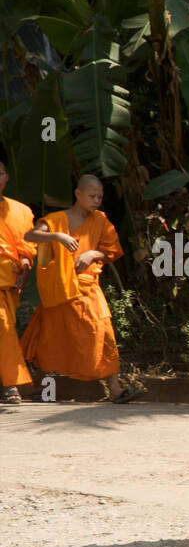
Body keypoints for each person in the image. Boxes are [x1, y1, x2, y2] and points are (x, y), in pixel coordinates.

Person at [21, 175, 142, 403]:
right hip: (60, 290)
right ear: (78, 194)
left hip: (88, 288)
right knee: (51, 339)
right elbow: (30, 235)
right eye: (92, 196)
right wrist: (57, 236)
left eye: (99, 197)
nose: (96, 201)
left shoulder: (101, 221)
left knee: (103, 333)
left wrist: (93, 253)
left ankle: (115, 389)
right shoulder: (57, 219)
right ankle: (41, 387)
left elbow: (113, 251)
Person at [0, 159, 36, 404]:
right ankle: (11, 384)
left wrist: (25, 263)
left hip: (8, 279)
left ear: (7, 177)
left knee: (5, 326)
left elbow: (27, 245)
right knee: (3, 326)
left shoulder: (21, 211)